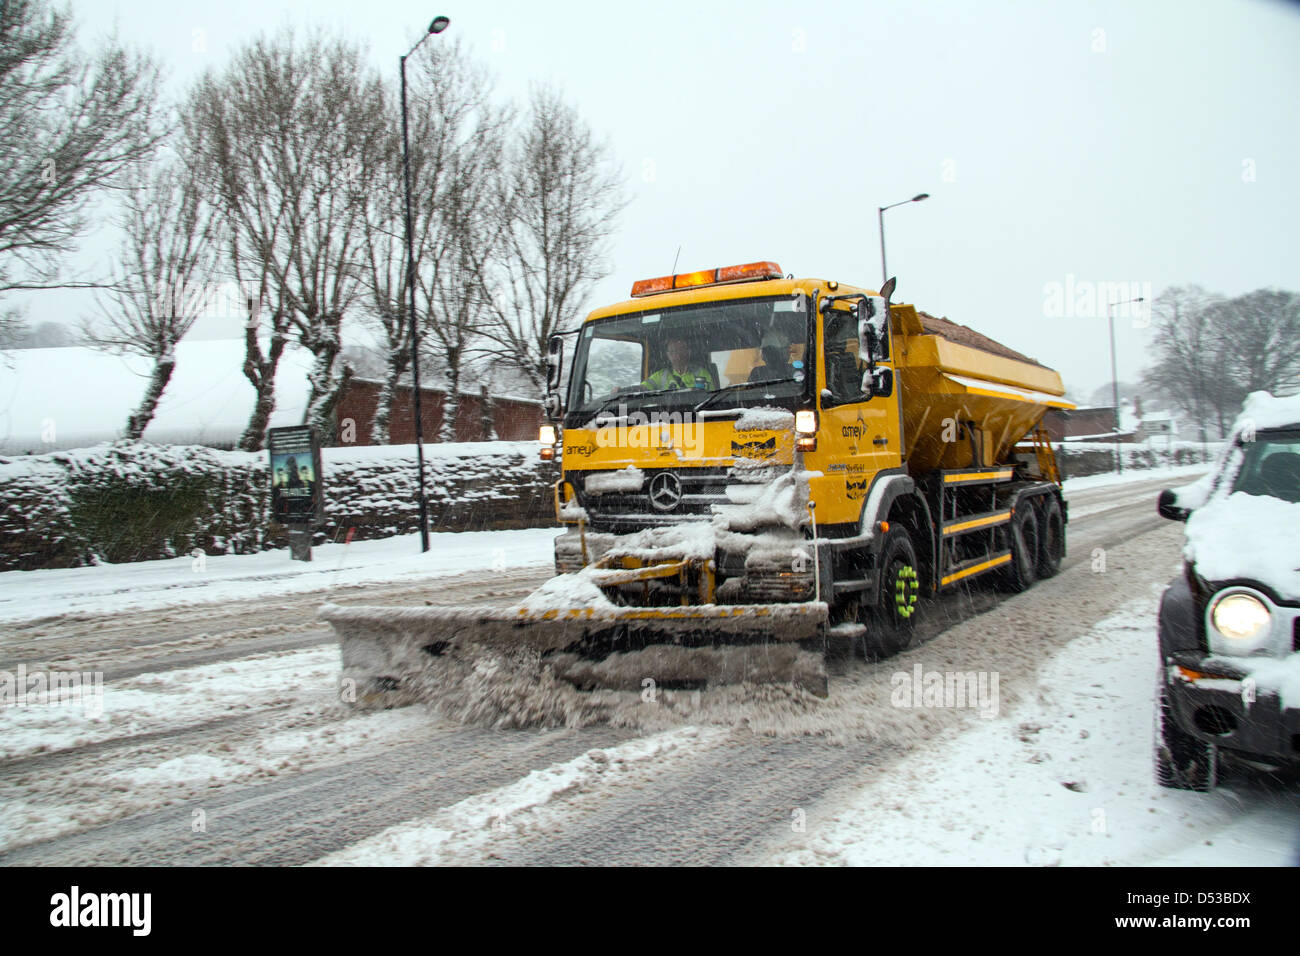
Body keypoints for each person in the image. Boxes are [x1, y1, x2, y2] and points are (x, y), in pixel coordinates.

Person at [641, 336, 716, 391]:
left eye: (681, 350)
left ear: (688, 352)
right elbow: (643, 388)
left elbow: (711, 398)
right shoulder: (660, 376)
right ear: (668, 355)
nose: (678, 355)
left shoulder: (702, 373)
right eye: (673, 351)